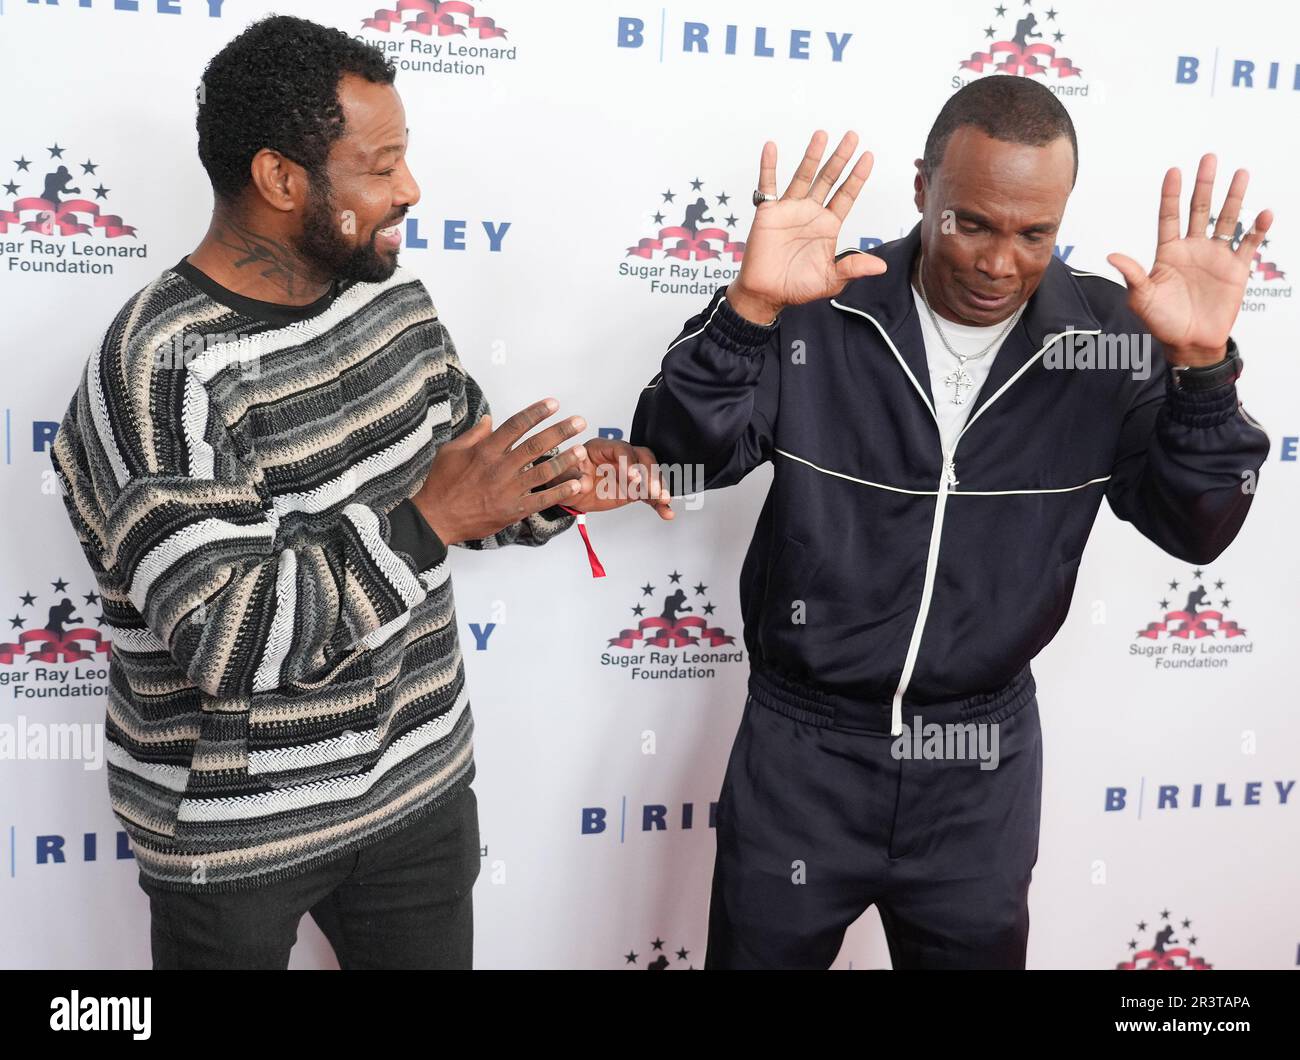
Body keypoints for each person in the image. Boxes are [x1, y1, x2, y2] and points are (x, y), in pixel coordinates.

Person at [48, 15, 669, 970]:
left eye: (404, 158)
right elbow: (231, 641)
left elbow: (466, 480)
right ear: (280, 179)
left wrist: (558, 487)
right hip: (236, 843)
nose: (409, 191)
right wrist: (428, 522)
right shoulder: (158, 373)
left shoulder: (392, 301)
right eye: (380, 166)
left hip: (416, 796)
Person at [629, 75, 1272, 969]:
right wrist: (748, 315)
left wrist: (1202, 370)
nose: (999, 262)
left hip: (978, 768)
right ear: (924, 187)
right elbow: (680, 458)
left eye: (1033, 233)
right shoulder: (825, 301)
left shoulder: (1111, 339)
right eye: (971, 221)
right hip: (803, 758)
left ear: (1062, 220)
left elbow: (1196, 528)